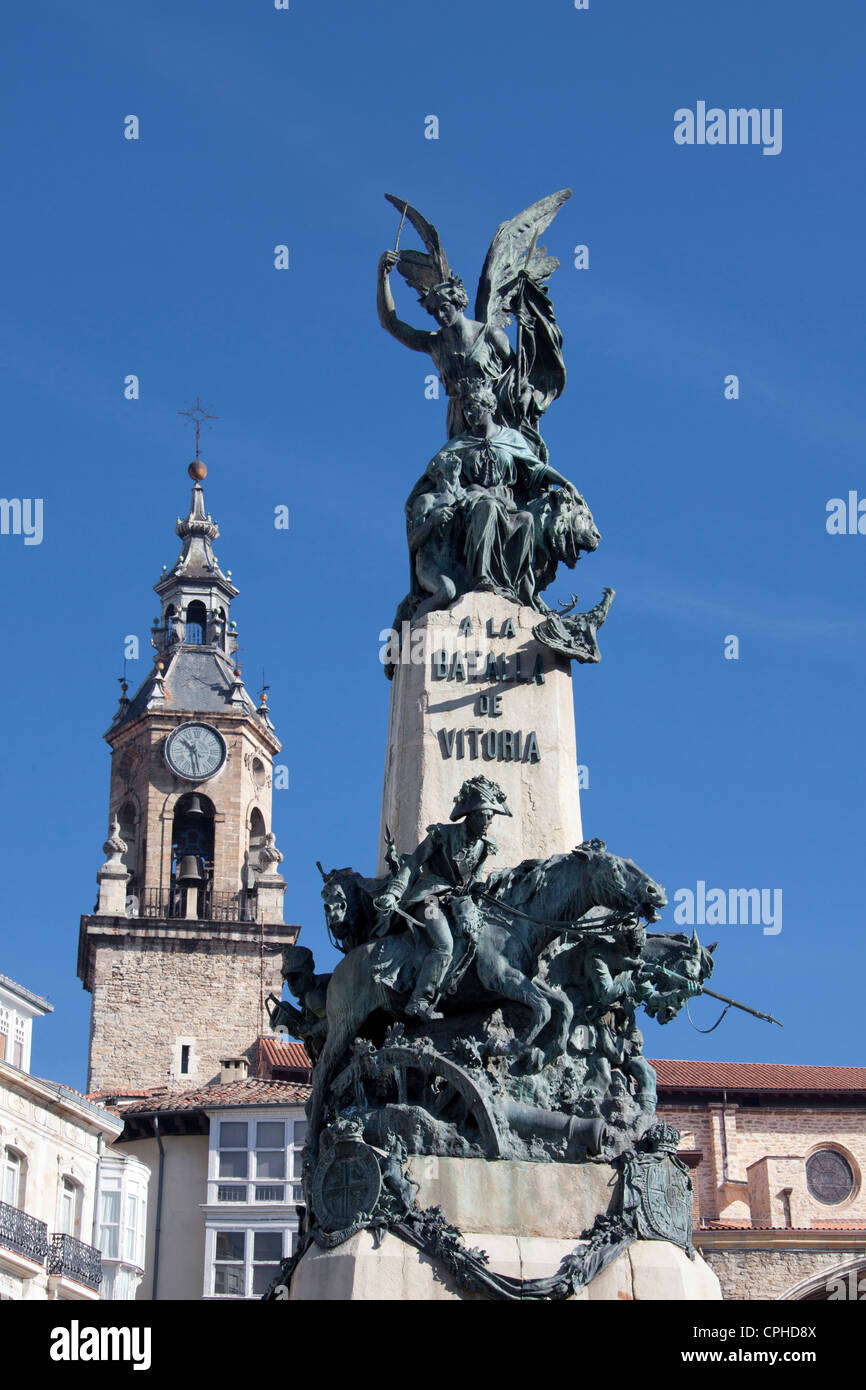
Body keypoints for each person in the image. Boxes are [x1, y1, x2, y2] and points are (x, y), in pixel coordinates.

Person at [373, 777, 512, 1021]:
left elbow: (475, 879)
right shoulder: (441, 835)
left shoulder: (484, 846)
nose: (487, 823)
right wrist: (393, 893)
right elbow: (412, 864)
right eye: (483, 816)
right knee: (444, 944)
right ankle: (419, 1000)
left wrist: (483, 888)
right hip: (429, 900)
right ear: (470, 814)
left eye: (491, 817)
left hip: (460, 903)